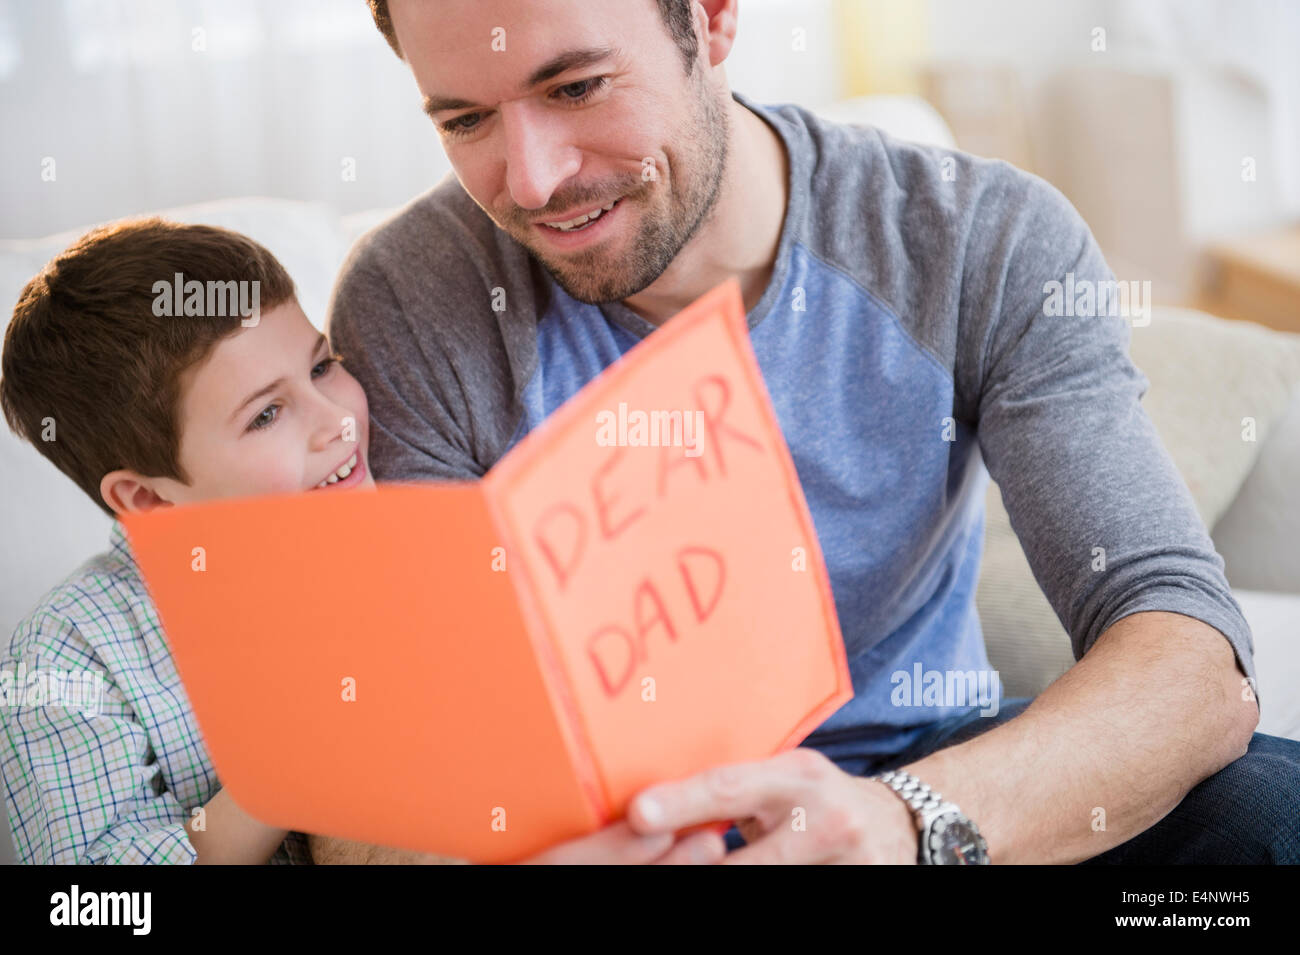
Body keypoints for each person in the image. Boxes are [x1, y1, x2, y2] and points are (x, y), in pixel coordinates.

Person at [312, 0, 1298, 863]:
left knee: (1265, 807)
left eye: (574, 88)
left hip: (923, 778)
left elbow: (1191, 659)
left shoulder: (975, 238)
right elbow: (395, 752)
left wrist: (905, 824)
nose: (529, 181)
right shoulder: (413, 299)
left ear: (712, 16)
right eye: (466, 118)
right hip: (615, 818)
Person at [0, 219, 376, 863]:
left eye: (322, 366)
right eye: (265, 414)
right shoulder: (68, 650)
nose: (336, 420)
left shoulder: (408, 523)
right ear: (149, 499)